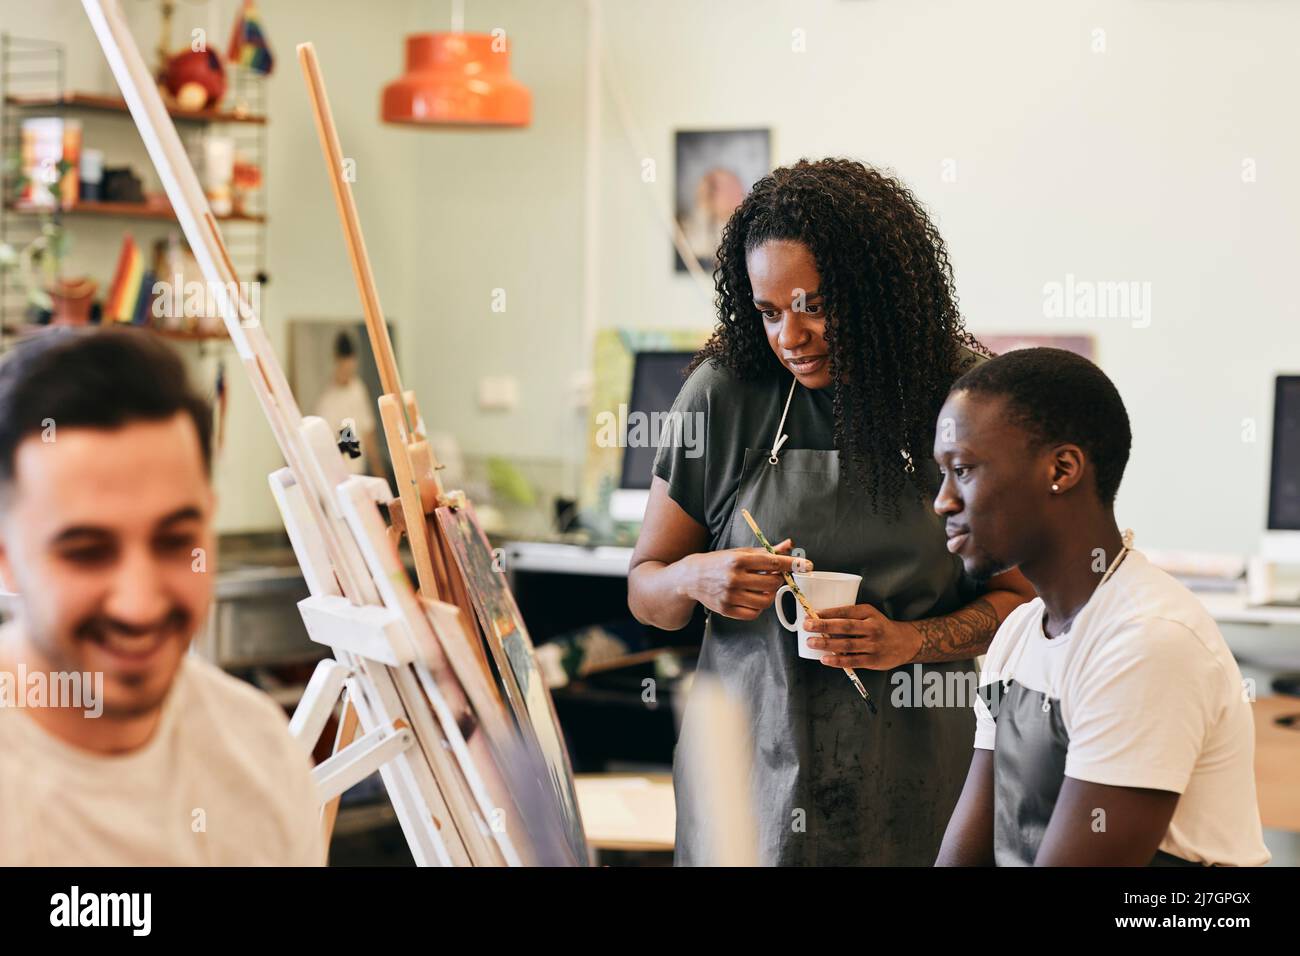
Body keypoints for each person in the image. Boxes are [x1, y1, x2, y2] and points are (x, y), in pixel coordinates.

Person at [629, 158, 1036, 866]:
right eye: (768, 312)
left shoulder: (964, 403)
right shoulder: (723, 395)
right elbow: (646, 591)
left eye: (814, 306)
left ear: (878, 296)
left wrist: (910, 642)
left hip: (918, 776)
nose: (790, 337)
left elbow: (1023, 604)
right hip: (747, 784)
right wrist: (696, 579)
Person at [933, 347, 1269, 866]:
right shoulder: (1019, 634)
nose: (943, 500)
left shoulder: (1147, 642)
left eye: (964, 470)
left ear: (1062, 468)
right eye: (942, 474)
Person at [0, 327, 324, 865]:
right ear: (6, 556)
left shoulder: (264, 755)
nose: (139, 605)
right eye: (87, 552)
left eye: (175, 542)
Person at [314, 331, 381, 477]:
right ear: (337, 362)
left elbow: (368, 430)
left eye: (351, 368)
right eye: (345, 368)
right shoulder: (327, 401)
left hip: (359, 471)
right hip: (339, 474)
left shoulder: (358, 389)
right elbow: (325, 446)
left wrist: (378, 468)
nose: (348, 372)